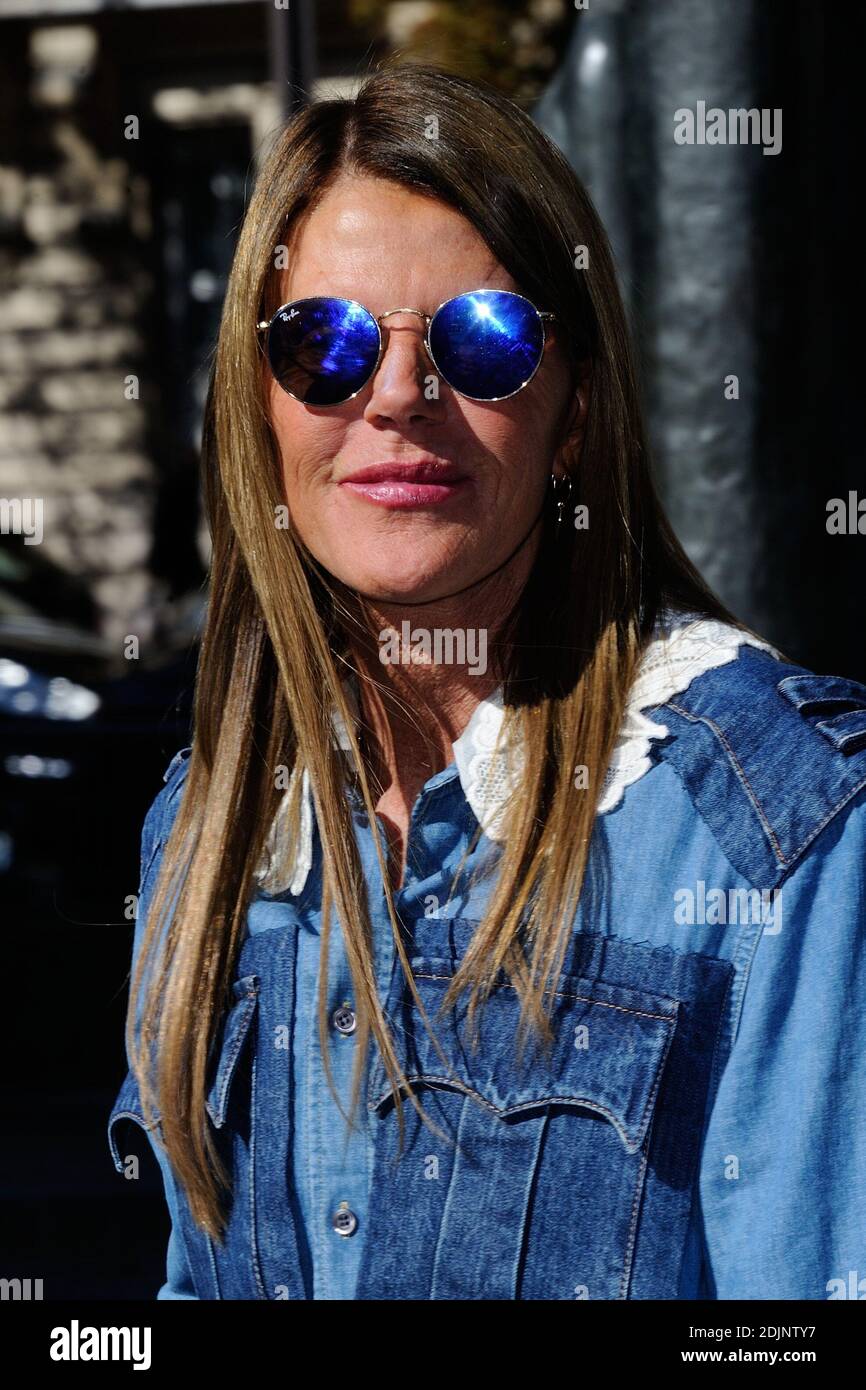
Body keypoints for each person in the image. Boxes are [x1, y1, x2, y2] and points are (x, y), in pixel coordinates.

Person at [108, 60, 866, 1301]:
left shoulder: (774, 834)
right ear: (261, 408)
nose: (398, 396)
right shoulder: (212, 826)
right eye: (326, 343)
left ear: (573, 412)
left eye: (484, 339)